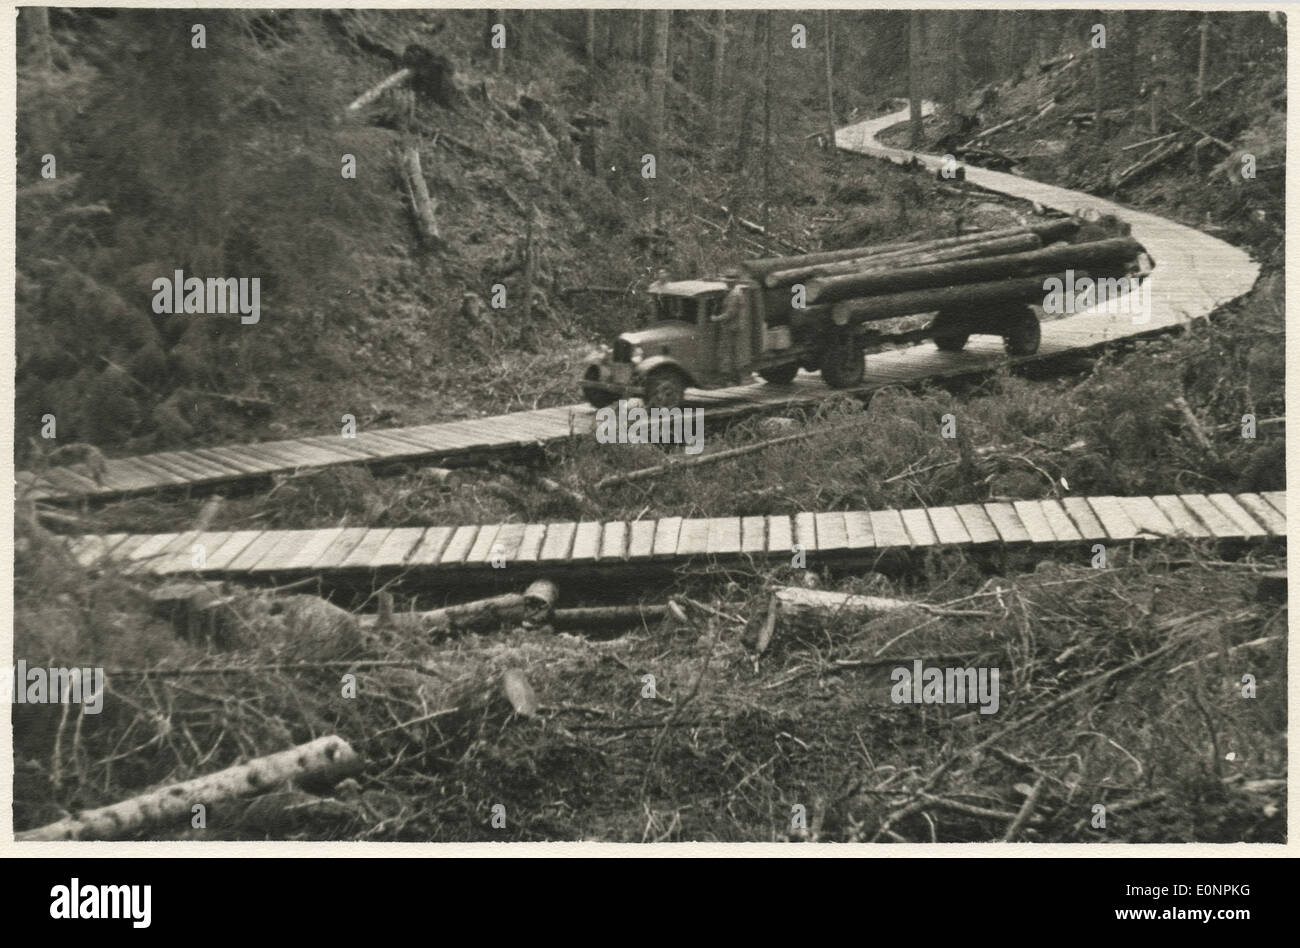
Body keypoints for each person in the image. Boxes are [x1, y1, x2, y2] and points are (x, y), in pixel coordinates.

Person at [711, 271, 751, 385]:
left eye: (729, 282)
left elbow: (730, 313)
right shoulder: (734, 292)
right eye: (727, 281)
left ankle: (729, 379)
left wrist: (716, 318)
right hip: (733, 326)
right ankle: (734, 378)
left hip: (732, 327)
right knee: (732, 352)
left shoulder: (734, 294)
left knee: (727, 352)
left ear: (733, 282)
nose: (727, 283)